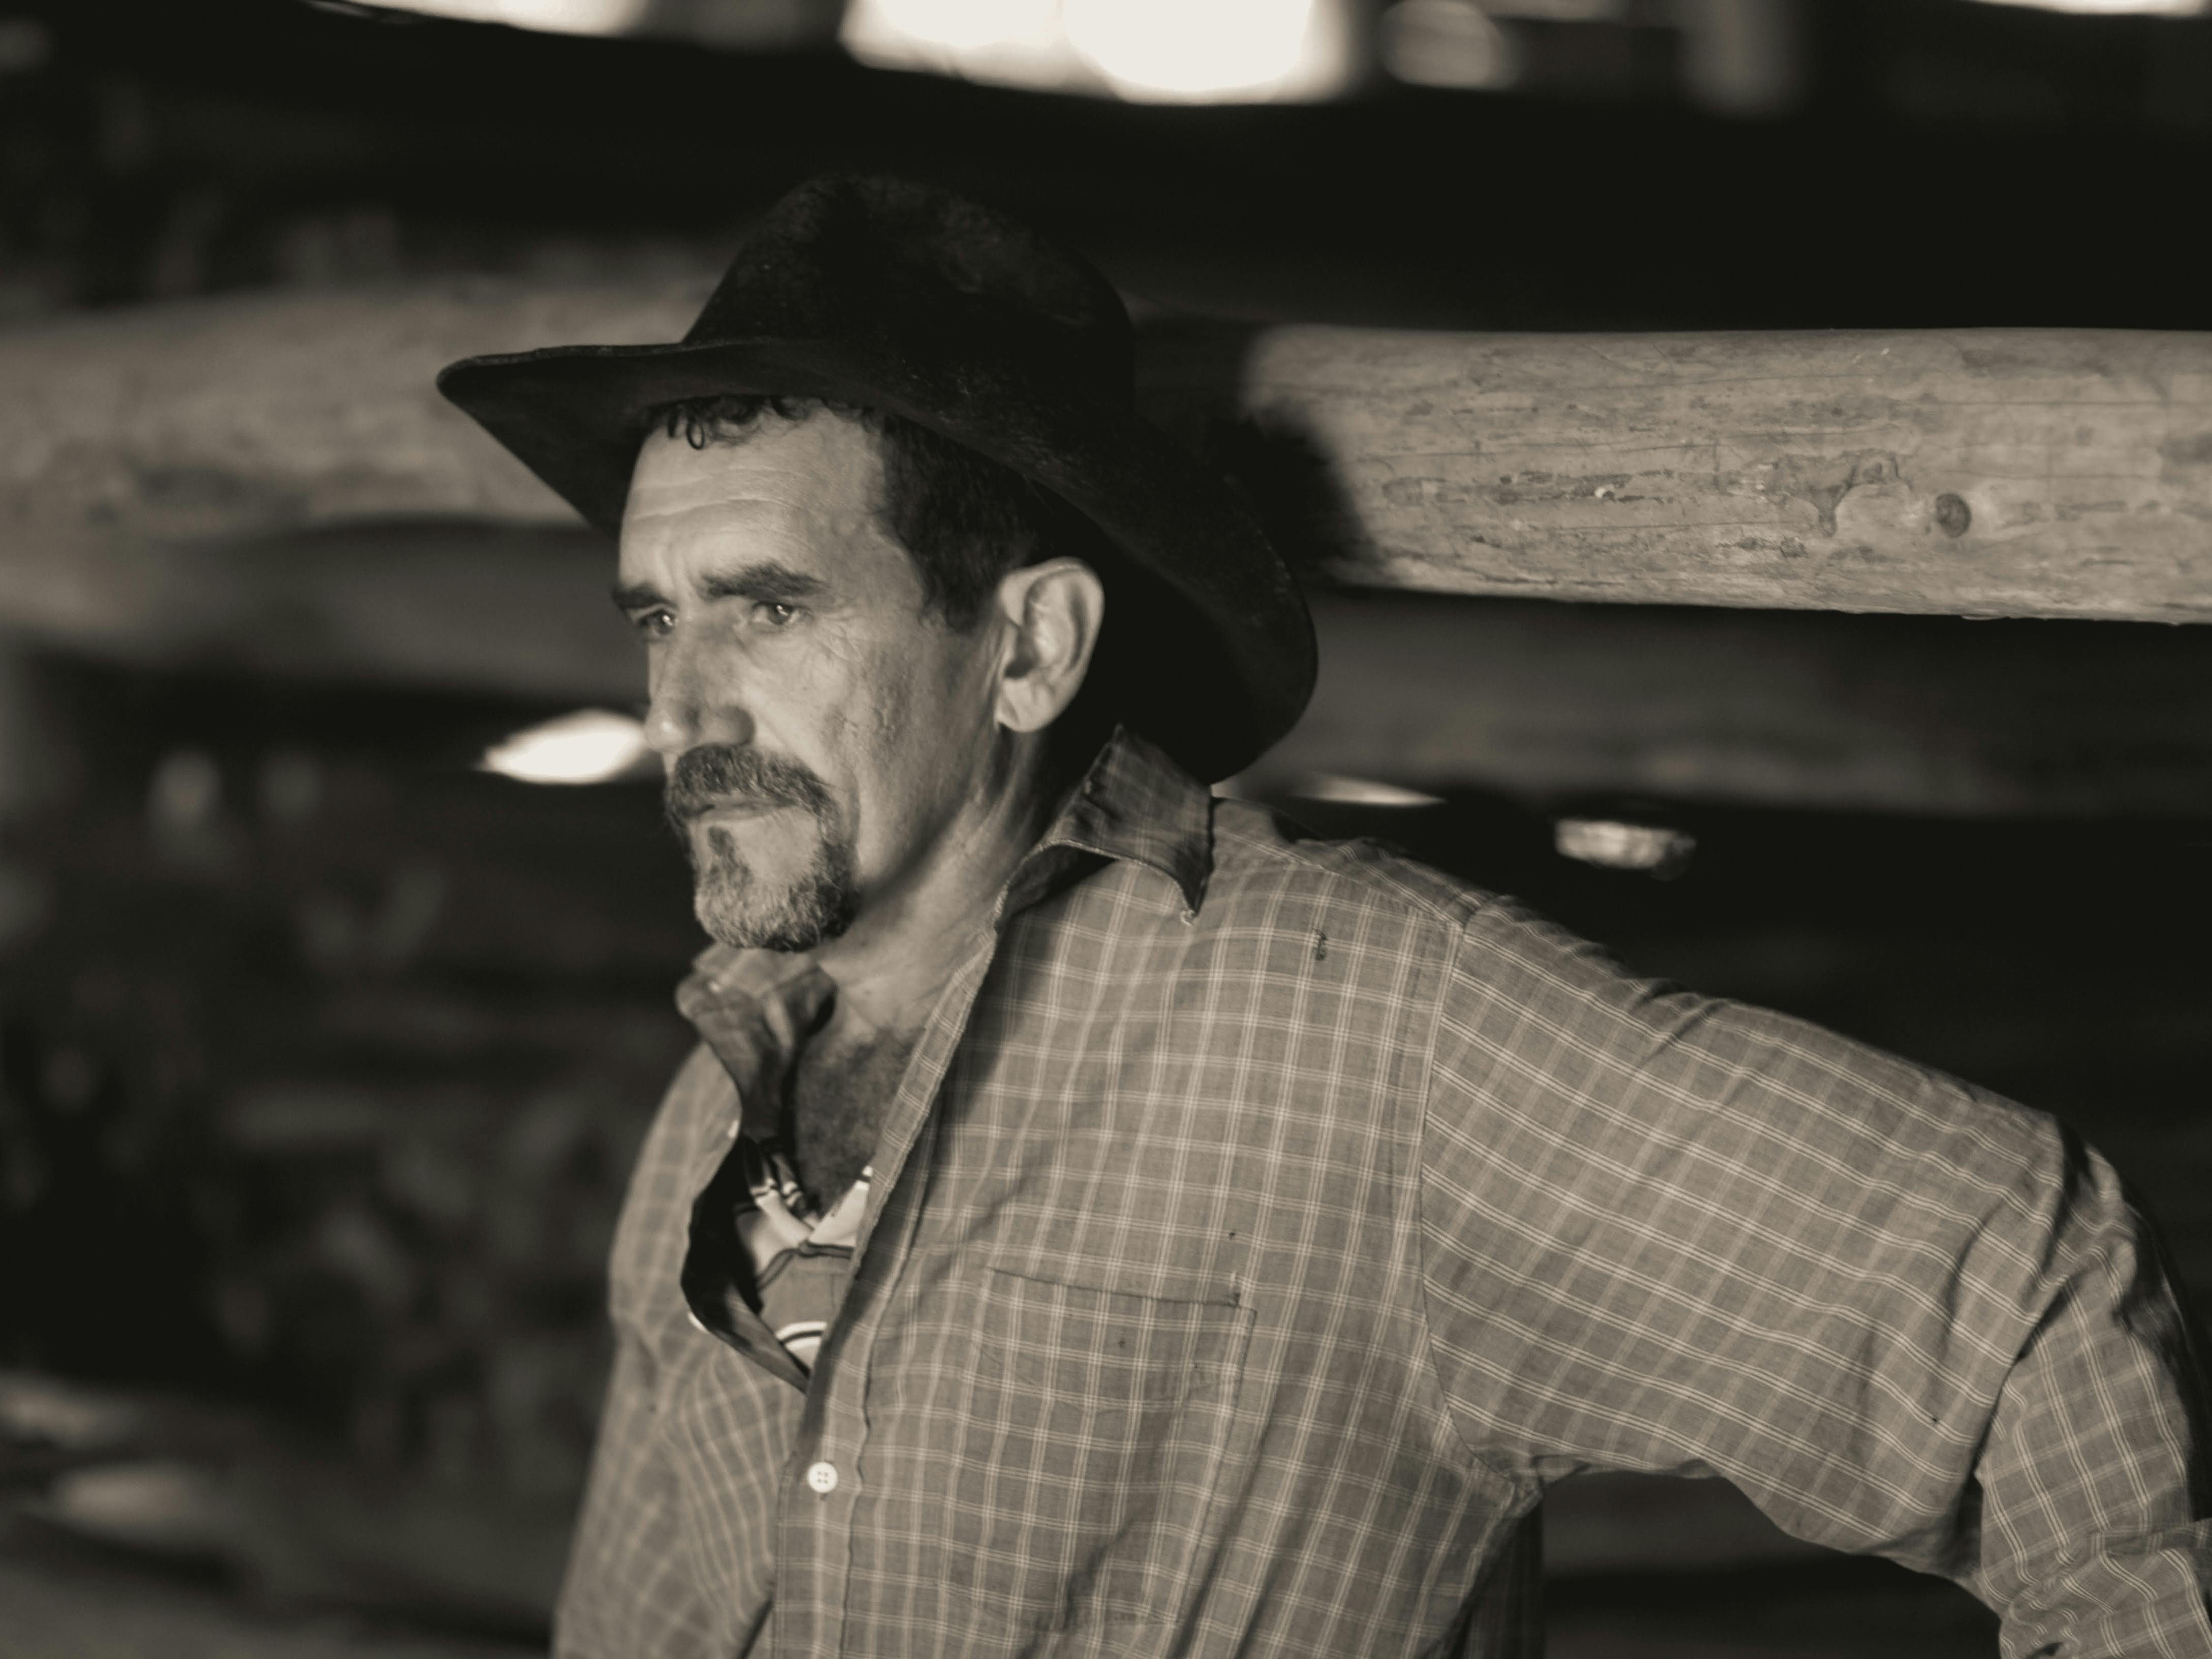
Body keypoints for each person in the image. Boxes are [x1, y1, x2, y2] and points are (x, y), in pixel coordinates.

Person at [438, 174, 2212, 1658]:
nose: (684, 709)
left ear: (1030, 649)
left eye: (766, 608)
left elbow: (2026, 1289)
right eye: (658, 620)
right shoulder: (721, 1094)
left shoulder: (1370, 1036)